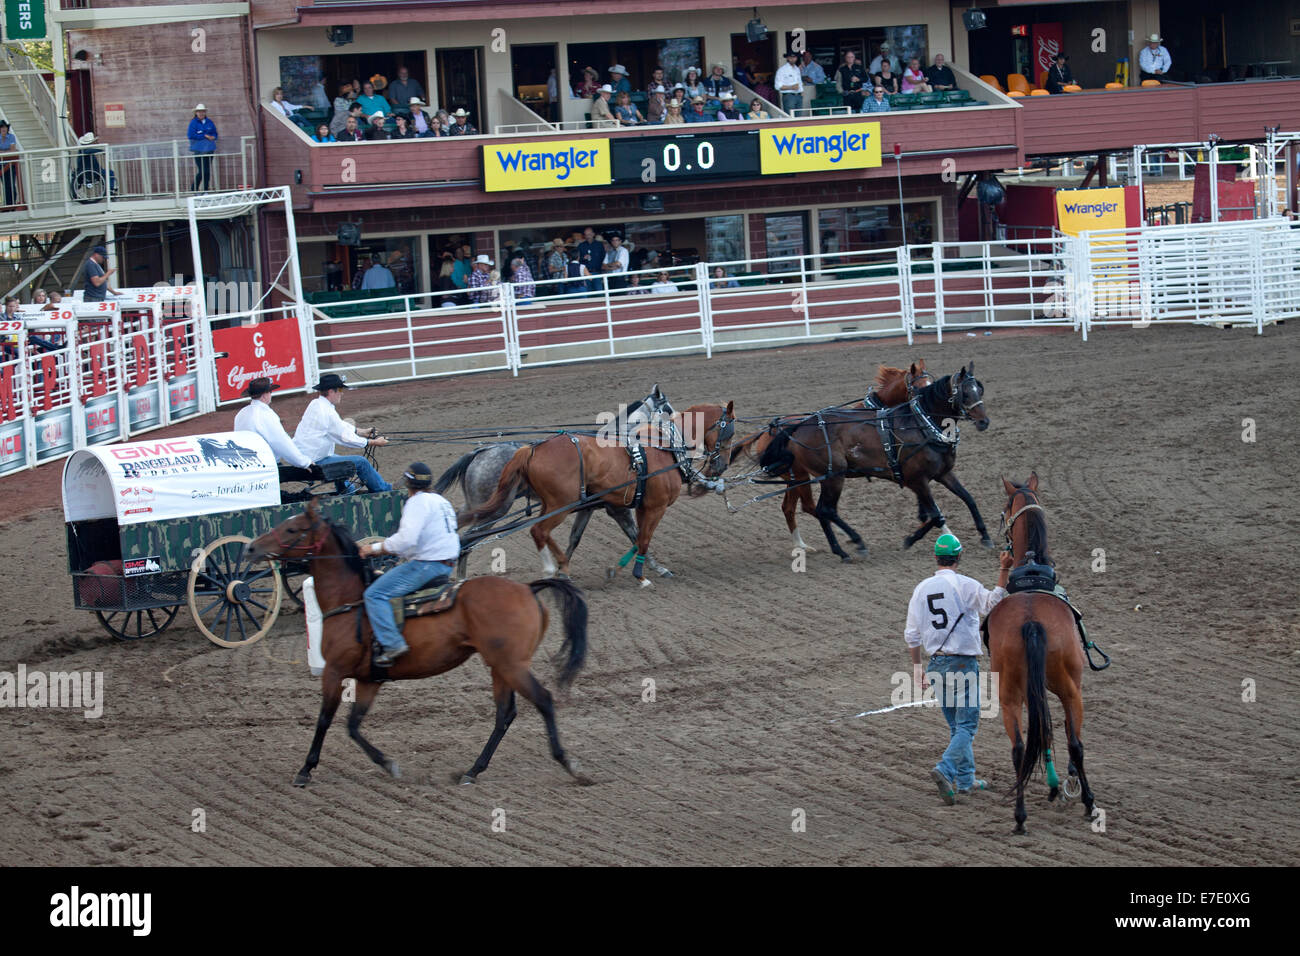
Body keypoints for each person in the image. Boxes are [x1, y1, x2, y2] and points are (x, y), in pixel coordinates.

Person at [904, 533, 1013, 805]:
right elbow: (993, 603)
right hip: (963, 663)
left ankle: (966, 780)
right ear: (959, 556)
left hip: (936, 664)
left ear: (936, 557)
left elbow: (912, 635)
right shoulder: (965, 585)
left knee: (956, 726)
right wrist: (1004, 569)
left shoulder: (921, 589)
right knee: (967, 725)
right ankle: (945, 769)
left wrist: (918, 668)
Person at [361, 462, 459, 666]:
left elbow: (406, 540)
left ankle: (392, 643)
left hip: (427, 565)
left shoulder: (416, 503)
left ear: (408, 484)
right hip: (447, 562)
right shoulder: (441, 501)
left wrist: (373, 549)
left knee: (374, 594)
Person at [292, 373, 391, 494]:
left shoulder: (316, 404)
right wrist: (373, 442)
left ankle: (347, 491)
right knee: (361, 462)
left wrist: (361, 431)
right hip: (315, 461)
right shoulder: (327, 411)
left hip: (306, 457)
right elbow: (345, 437)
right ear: (330, 391)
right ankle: (384, 490)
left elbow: (339, 425)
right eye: (339, 389)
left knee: (340, 461)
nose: (342, 392)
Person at [233, 377, 314, 469]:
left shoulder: (242, 413)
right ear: (264, 395)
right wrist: (304, 462)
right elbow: (281, 441)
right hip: (265, 465)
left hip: (244, 463)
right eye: (270, 392)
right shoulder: (265, 414)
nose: (271, 394)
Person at [187, 104, 218, 191]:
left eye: (203, 111)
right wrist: (205, 136)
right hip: (198, 150)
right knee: (202, 170)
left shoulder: (209, 122)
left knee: (207, 170)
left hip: (209, 149)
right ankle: (194, 188)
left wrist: (213, 137)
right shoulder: (193, 123)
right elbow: (191, 135)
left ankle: (205, 189)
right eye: (199, 111)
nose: (201, 113)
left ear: (205, 112)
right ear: (196, 113)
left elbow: (215, 133)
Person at [0, 120, 19, 207]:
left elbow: (13, 150)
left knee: (11, 184)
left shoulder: (11, 137)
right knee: (5, 185)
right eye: (1, 127)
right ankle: (7, 205)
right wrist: (6, 151)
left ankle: (12, 204)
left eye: (4, 127)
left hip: (11, 164)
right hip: (1, 165)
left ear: (7, 128)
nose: (3, 128)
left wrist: (2, 152)